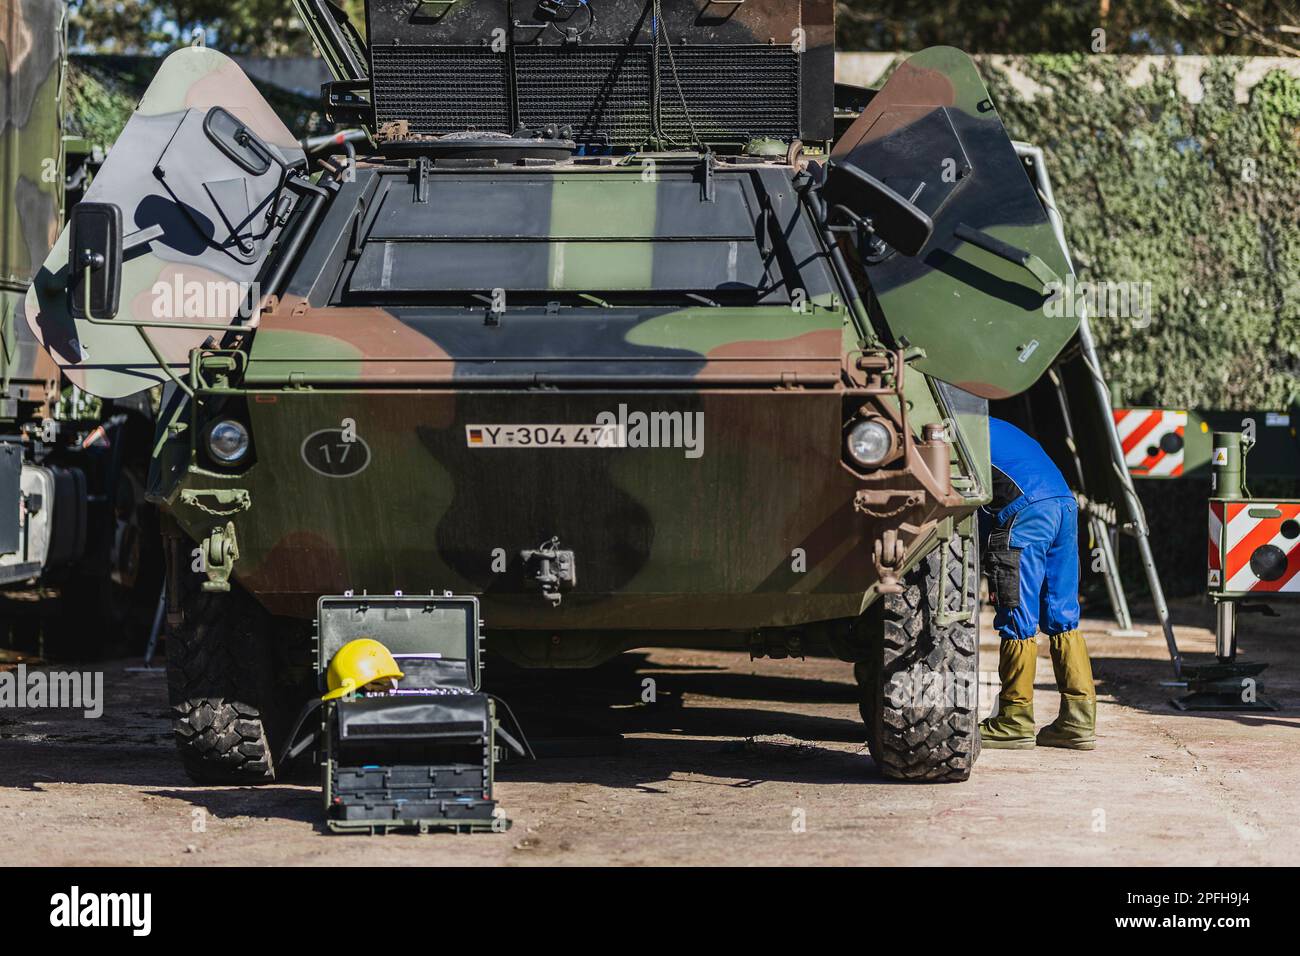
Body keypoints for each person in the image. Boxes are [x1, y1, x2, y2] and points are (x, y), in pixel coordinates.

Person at [979, 418, 1096, 750]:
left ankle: (1013, 721)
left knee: (1017, 616)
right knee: (1062, 614)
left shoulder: (955, 426)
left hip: (1026, 512)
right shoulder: (994, 424)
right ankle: (1078, 720)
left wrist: (992, 566)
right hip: (1063, 504)